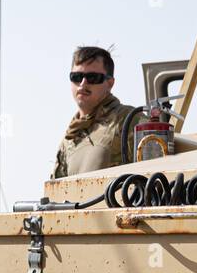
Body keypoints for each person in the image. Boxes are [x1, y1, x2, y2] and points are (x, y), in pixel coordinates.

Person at [51, 46, 144, 178]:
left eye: (93, 77)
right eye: (76, 77)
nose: (83, 84)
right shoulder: (70, 138)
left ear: (110, 83)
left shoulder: (129, 120)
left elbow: (155, 183)